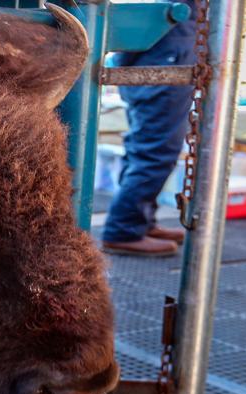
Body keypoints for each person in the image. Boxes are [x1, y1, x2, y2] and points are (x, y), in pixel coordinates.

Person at [99, 0, 197, 258]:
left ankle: (139, 221)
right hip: (164, 62)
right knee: (155, 152)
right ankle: (124, 231)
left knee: (144, 150)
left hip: (162, 58)